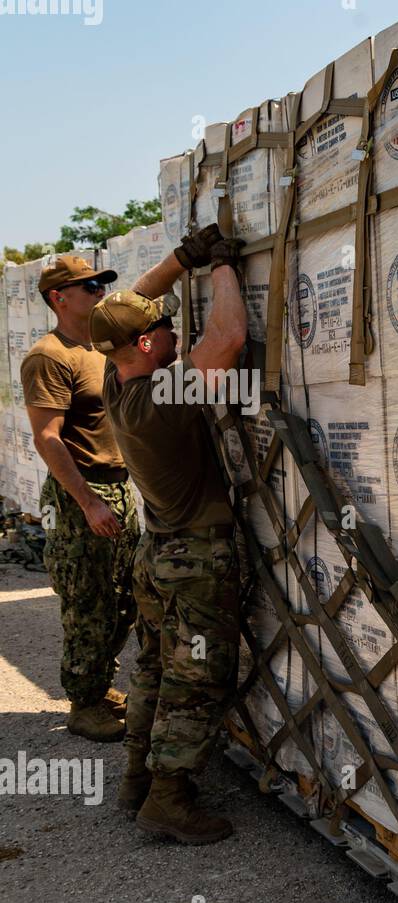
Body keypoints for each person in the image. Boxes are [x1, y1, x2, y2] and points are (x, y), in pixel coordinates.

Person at [89, 224, 246, 843]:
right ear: (150, 343)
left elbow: (120, 309)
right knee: (196, 679)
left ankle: (136, 783)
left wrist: (182, 257)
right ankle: (170, 801)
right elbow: (228, 339)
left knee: (154, 670)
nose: (176, 332)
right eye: (166, 329)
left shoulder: (117, 378)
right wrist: (222, 266)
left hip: (158, 554)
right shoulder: (165, 395)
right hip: (197, 562)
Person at [22, 254, 138, 742]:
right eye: (88, 286)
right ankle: (84, 702)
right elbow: (47, 438)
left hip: (119, 485)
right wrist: (88, 502)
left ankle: (99, 683)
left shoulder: (102, 346)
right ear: (58, 298)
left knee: (126, 599)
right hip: (81, 493)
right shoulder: (49, 356)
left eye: (100, 284)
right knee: (88, 602)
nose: (98, 292)